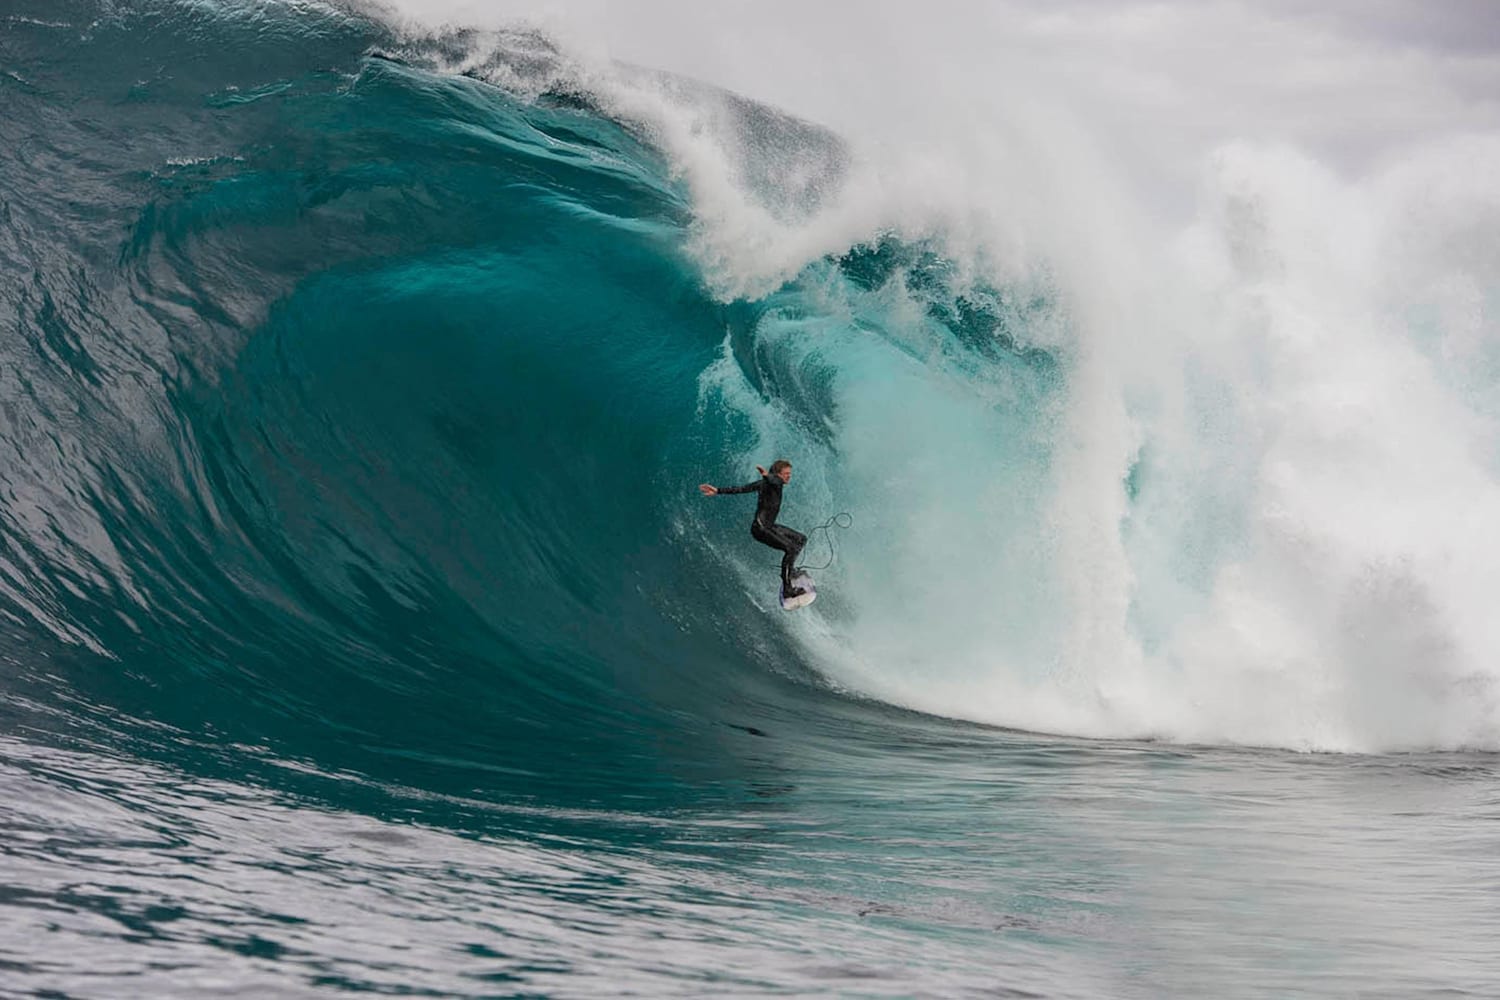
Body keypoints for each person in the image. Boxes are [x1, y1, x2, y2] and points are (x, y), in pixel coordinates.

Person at [699, 459, 807, 598]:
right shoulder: (774, 483)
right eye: (786, 474)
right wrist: (768, 475)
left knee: (800, 539)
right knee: (791, 548)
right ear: (778, 474)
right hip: (760, 529)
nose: (789, 476)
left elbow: (741, 489)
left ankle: (789, 571)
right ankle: (788, 589)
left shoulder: (766, 483)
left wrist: (718, 491)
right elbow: (770, 482)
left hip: (769, 526)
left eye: (789, 474)